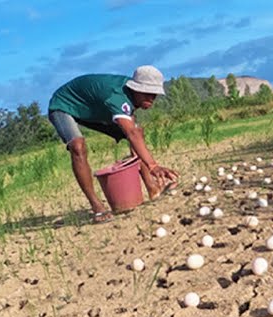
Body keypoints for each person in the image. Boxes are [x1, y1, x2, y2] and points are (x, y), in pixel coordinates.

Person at [47, 65, 180, 223]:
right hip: (63, 105)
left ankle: (153, 188)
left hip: (93, 109)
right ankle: (97, 207)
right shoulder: (117, 97)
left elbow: (134, 132)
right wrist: (153, 166)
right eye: (147, 93)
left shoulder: (130, 96)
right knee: (78, 146)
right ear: (135, 89)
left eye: (154, 95)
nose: (151, 99)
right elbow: (131, 133)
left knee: (137, 131)